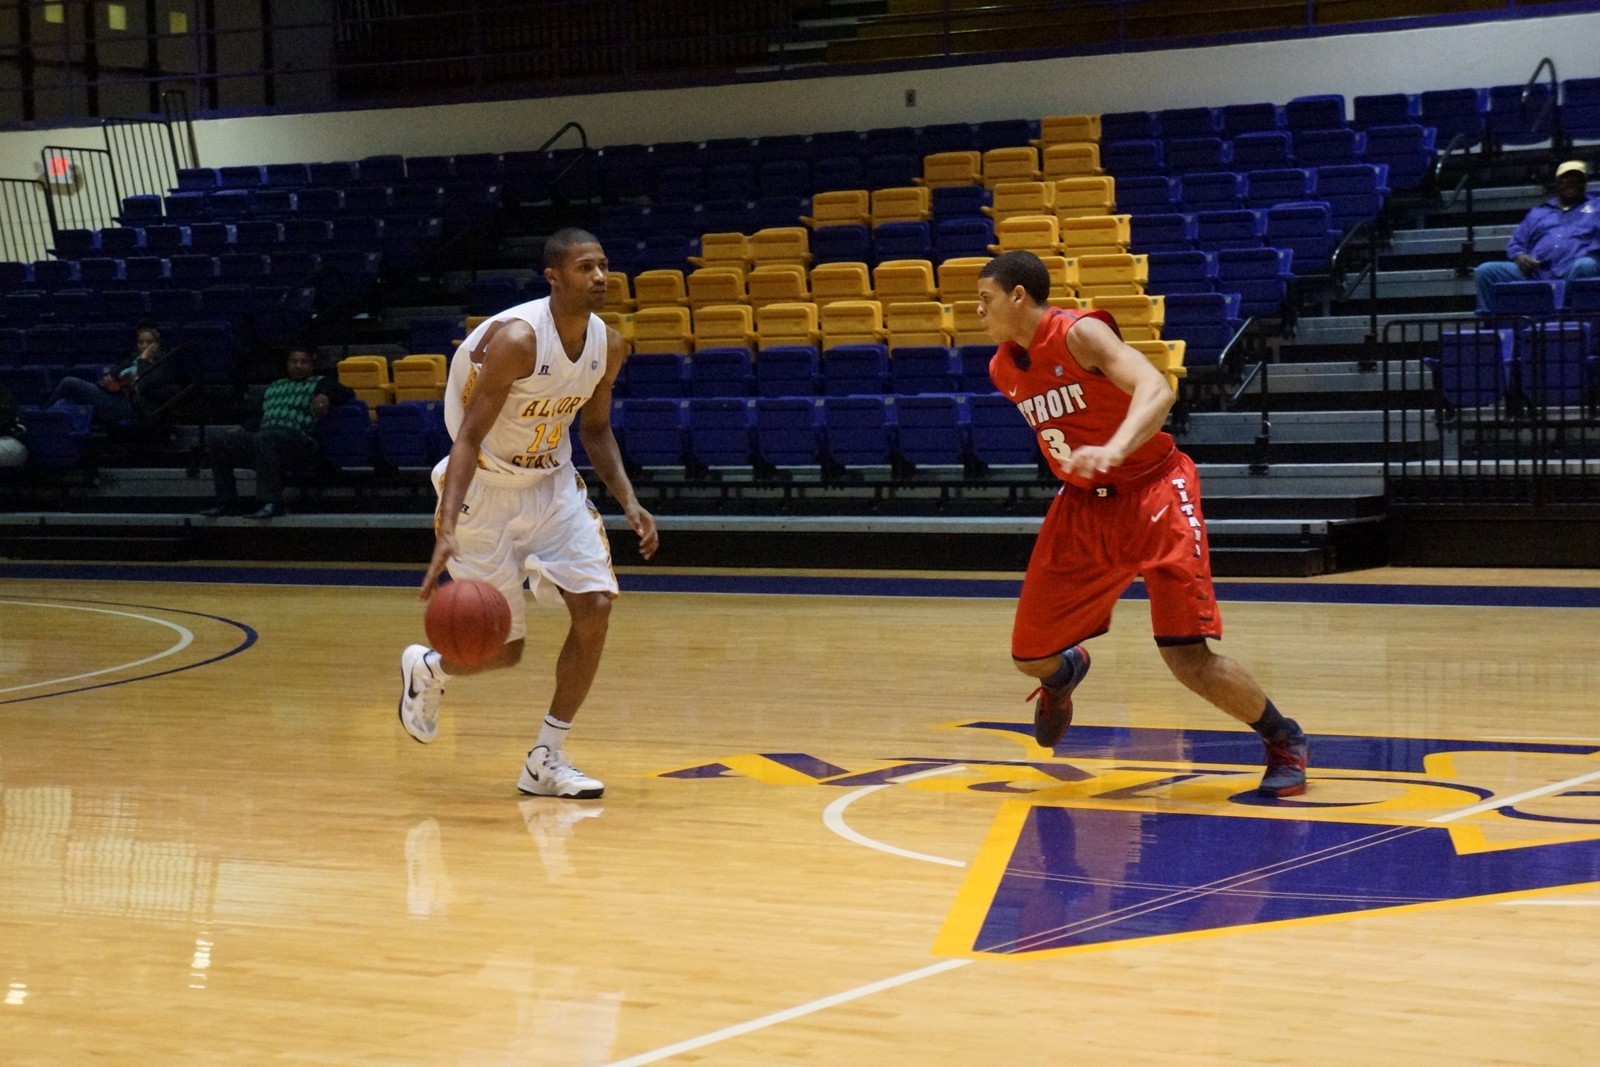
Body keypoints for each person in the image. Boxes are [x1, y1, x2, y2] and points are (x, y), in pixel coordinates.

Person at [976, 250, 1309, 798]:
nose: (977, 312)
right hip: (1083, 505)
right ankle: (1063, 674)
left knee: (1185, 657)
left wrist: (1113, 448)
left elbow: (1157, 389)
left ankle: (1283, 738)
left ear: (1019, 296)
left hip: (1153, 489)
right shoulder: (1002, 368)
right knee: (1028, 655)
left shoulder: (1079, 334)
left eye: (985, 300)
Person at [396, 227, 658, 800]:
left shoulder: (608, 345)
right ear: (554, 277)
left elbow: (594, 428)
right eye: (586, 268)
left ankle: (547, 757)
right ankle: (431, 668)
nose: (599, 277)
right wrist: (445, 528)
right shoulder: (518, 340)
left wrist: (629, 500)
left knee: (594, 606)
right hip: (483, 492)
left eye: (604, 266)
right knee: (502, 650)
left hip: (551, 486)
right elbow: (466, 440)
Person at [201, 346, 354, 519]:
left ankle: (272, 502)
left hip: (300, 443)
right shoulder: (274, 387)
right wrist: (242, 429)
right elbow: (257, 418)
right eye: (294, 361)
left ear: (312, 367)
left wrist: (324, 395)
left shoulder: (320, 382)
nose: (298, 365)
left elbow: (347, 392)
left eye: (304, 362)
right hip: (266, 440)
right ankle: (227, 502)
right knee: (218, 439)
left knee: (265, 437)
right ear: (287, 364)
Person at [1474, 159, 1600, 314]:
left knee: (1585, 265)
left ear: (1585, 184)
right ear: (1557, 183)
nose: (1572, 183)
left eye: (1578, 179)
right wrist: (1520, 257)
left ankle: (1566, 318)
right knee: (1486, 271)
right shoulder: (1538, 212)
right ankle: (1490, 325)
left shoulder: (1596, 207)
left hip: (1573, 270)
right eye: (1567, 178)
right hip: (1536, 272)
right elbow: (1516, 242)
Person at [48, 325, 184, 429]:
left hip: (130, 405)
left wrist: (143, 360)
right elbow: (113, 374)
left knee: (69, 382)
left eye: (149, 342)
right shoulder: (132, 359)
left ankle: (45, 414)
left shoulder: (161, 365)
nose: (144, 346)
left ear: (157, 345)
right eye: (141, 342)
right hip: (112, 395)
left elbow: (143, 384)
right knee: (65, 403)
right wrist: (109, 380)